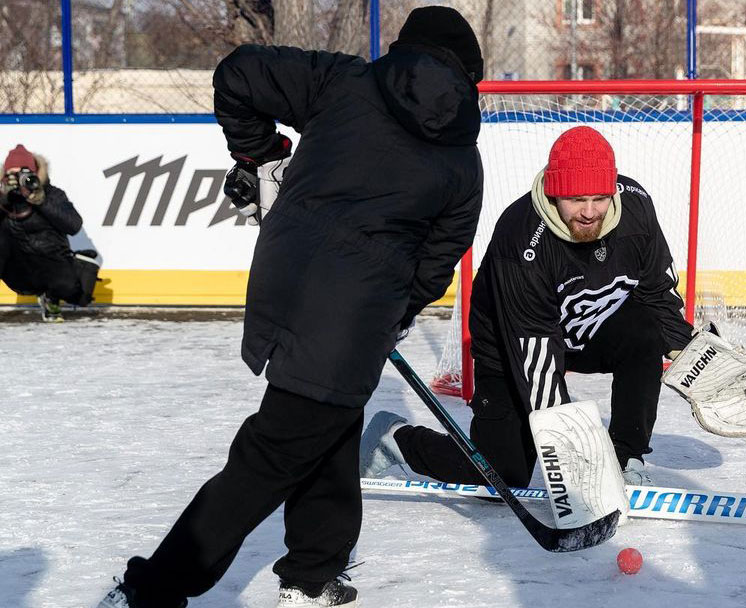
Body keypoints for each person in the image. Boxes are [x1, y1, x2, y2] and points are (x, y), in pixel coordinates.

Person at [97, 7, 484, 608]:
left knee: (329, 424)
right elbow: (438, 260)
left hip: (284, 278)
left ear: (405, 49)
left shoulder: (346, 80)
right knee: (271, 454)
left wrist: (262, 153)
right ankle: (152, 591)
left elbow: (237, 74)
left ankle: (311, 571)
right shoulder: (463, 161)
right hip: (353, 318)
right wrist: (393, 310)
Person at [360, 126, 694, 490]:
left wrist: (694, 357)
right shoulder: (522, 241)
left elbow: (658, 291)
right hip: (511, 350)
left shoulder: (634, 207)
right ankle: (396, 440)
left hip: (585, 329)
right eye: (576, 200)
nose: (588, 212)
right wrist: (573, 453)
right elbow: (537, 363)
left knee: (644, 329)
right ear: (554, 193)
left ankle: (625, 455)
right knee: (503, 476)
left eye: (599, 198)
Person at [0, 144, 99, 322]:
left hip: (49, 262)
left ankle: (51, 299)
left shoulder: (52, 194)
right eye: (12, 175)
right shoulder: (3, 199)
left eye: (23, 174)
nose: (18, 180)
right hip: (15, 268)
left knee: (74, 291)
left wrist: (41, 201)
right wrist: (2, 200)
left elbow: (74, 225)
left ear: (34, 172)